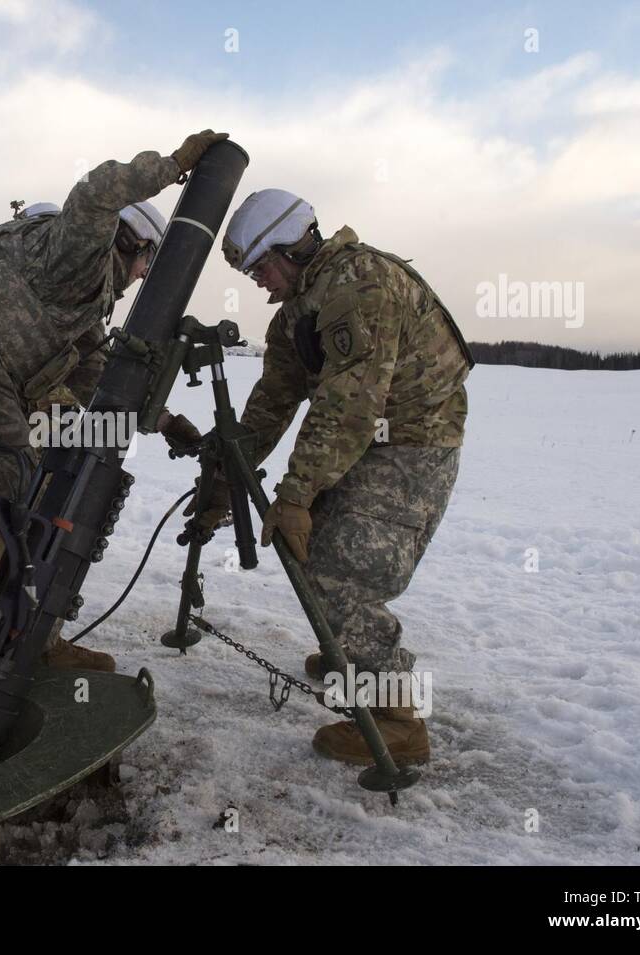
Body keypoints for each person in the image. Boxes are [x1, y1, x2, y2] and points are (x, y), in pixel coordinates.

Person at [0, 131, 226, 672]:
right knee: (14, 491)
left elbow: (90, 364)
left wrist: (163, 418)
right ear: (134, 245)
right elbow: (97, 191)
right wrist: (171, 166)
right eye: (147, 260)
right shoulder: (83, 255)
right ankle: (21, 641)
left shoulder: (81, 289)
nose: (145, 275)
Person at [210, 188, 473, 765]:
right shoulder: (298, 312)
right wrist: (227, 471)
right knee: (311, 545)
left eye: (260, 266)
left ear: (292, 247)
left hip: (412, 441)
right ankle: (350, 654)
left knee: (342, 569)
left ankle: (396, 720)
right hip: (368, 438)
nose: (257, 281)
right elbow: (274, 399)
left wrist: (297, 493)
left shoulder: (360, 285)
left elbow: (351, 401)